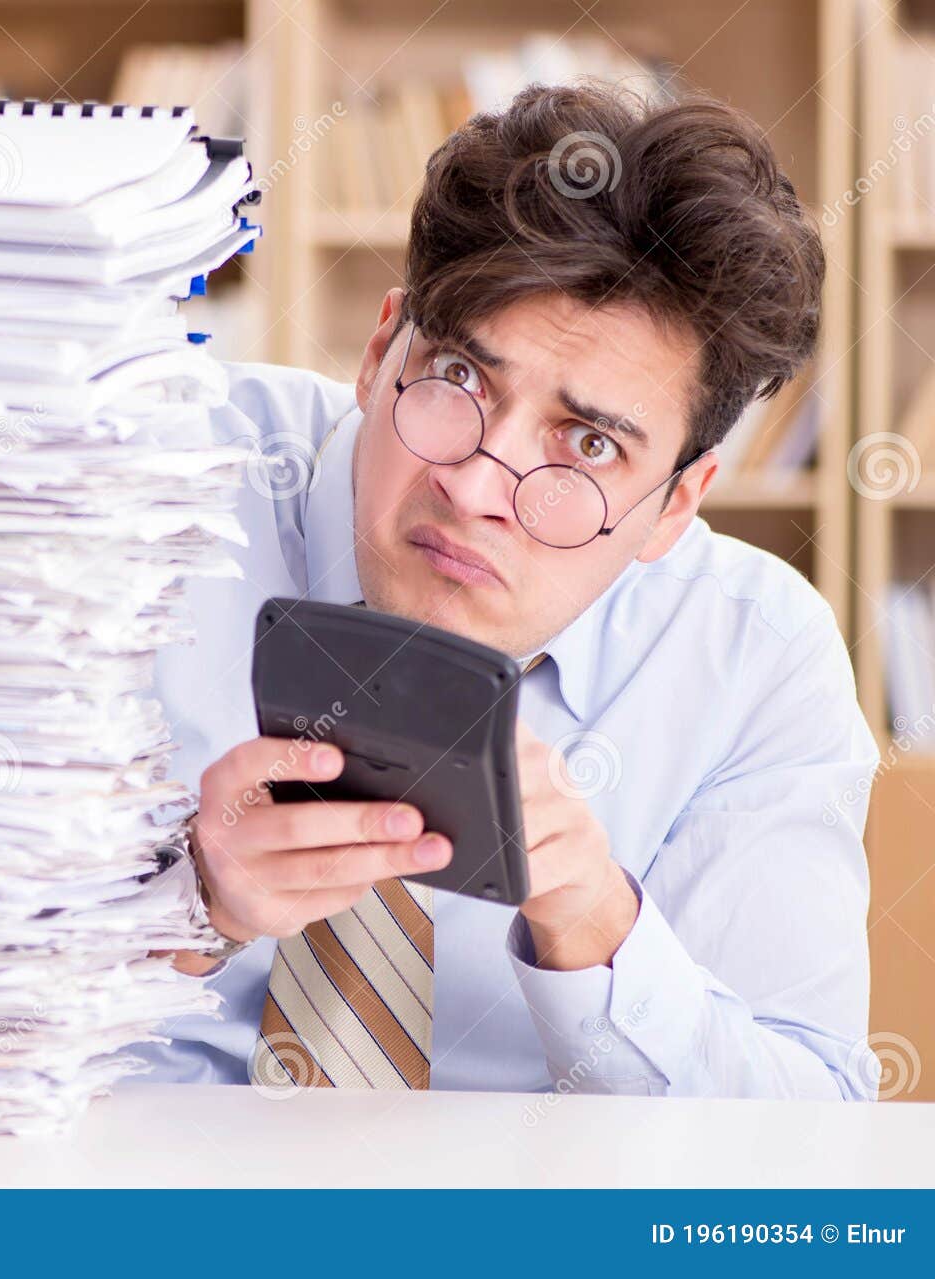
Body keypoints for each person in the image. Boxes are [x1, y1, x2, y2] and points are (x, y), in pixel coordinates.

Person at [138, 81, 882, 1099]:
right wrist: (185, 908)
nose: (476, 485)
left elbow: (809, 1135)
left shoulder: (753, 651)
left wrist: (592, 921)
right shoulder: (134, 487)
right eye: (455, 378)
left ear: (675, 504)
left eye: (586, 444)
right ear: (378, 349)